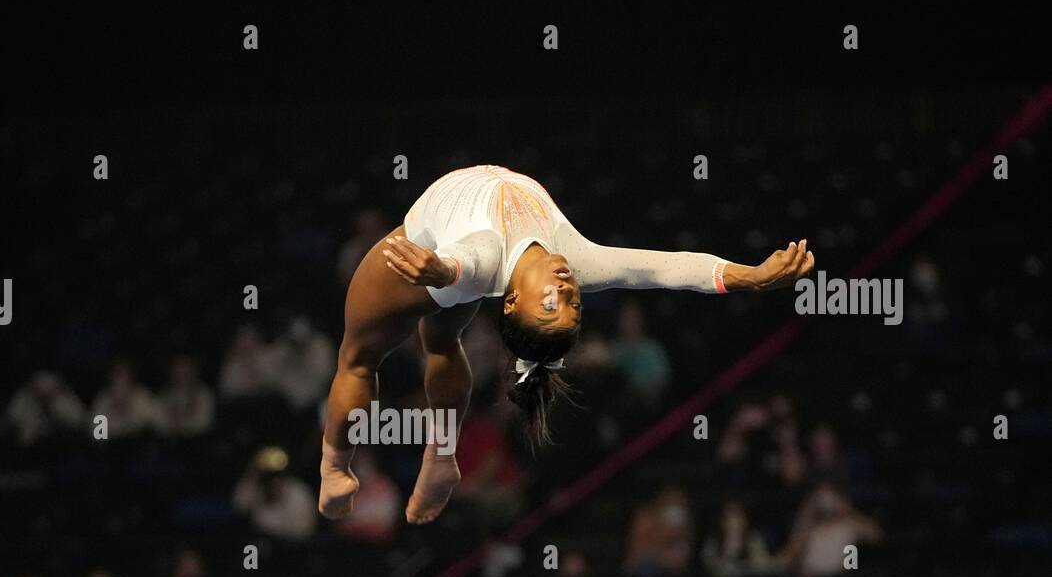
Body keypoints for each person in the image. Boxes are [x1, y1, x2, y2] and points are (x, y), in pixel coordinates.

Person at [320, 164, 815, 524]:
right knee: (444, 339)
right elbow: (663, 267)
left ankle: (335, 468)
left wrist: (441, 270)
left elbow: (464, 262)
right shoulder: (577, 260)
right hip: (453, 266)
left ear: (511, 303)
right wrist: (747, 276)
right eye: (573, 306)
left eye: (551, 305)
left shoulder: (485, 257)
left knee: (358, 358)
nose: (567, 293)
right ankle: (441, 457)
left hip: (435, 254)